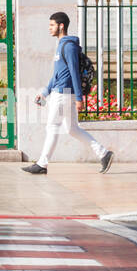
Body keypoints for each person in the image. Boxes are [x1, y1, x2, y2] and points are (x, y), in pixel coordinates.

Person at [23, 11, 113, 175]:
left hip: (64, 93)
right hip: (61, 91)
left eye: (52, 25)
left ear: (61, 26)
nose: (49, 28)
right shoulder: (61, 46)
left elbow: (74, 73)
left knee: (52, 126)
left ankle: (42, 164)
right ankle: (104, 154)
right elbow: (57, 74)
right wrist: (45, 93)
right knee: (72, 129)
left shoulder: (69, 46)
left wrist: (79, 98)